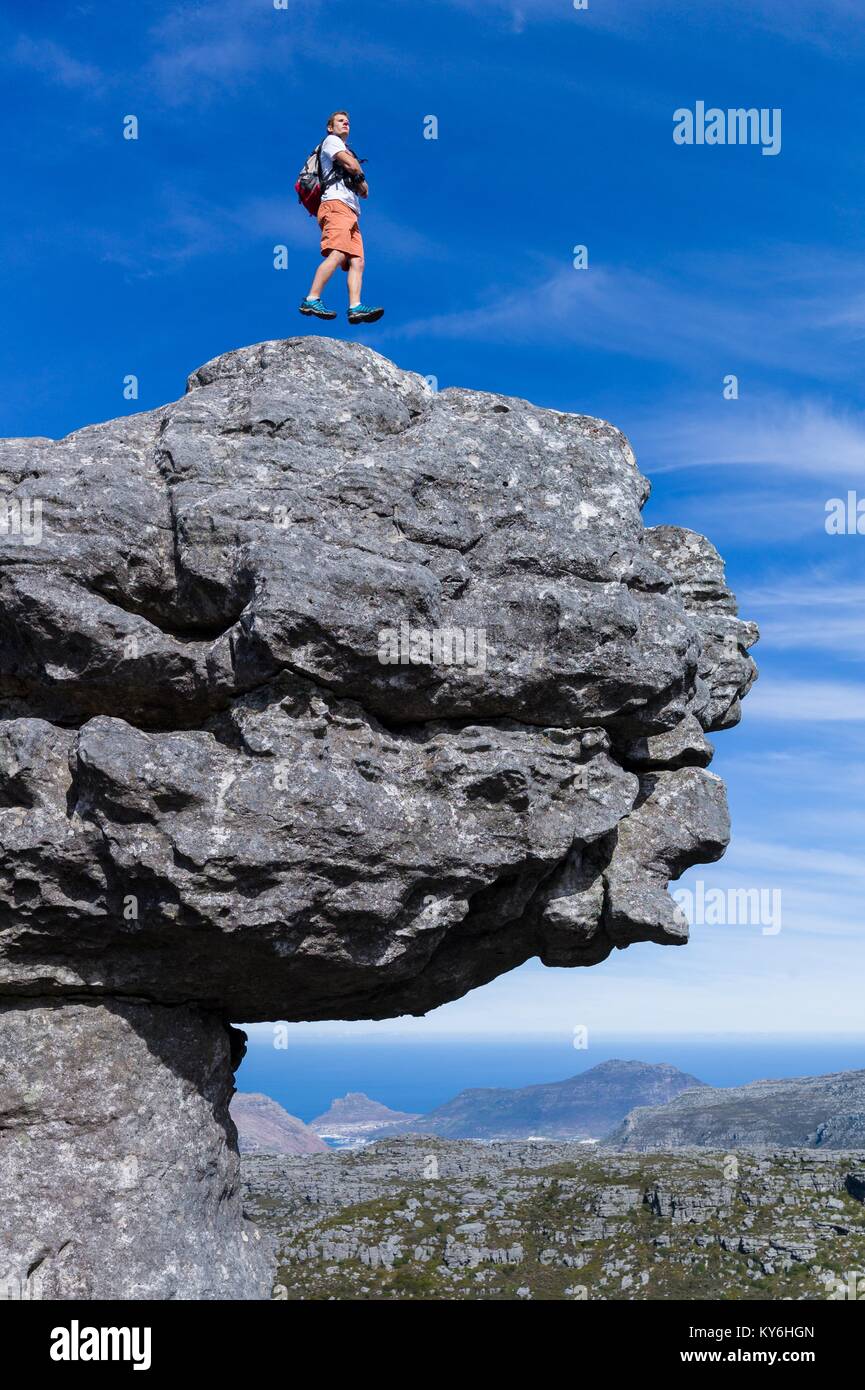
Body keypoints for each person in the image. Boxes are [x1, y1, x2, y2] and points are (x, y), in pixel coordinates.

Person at [299, 111, 384, 325]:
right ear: (330, 127)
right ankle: (311, 298)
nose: (346, 123)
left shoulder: (344, 149)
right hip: (335, 205)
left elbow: (365, 191)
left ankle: (355, 307)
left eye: (348, 122)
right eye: (340, 121)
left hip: (351, 211)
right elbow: (355, 170)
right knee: (336, 254)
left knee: (357, 261)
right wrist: (357, 173)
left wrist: (357, 176)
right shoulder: (331, 141)